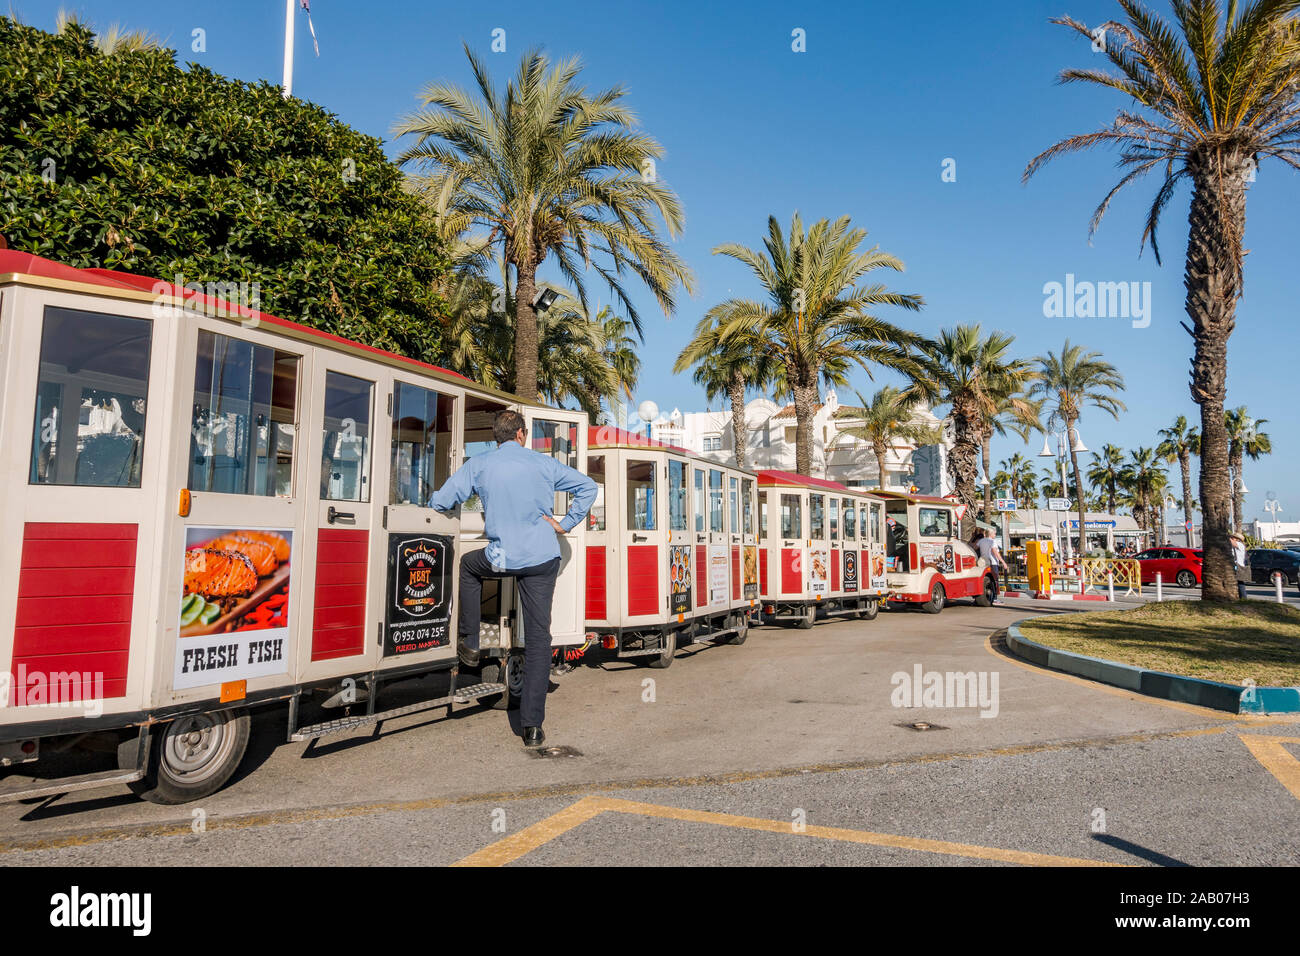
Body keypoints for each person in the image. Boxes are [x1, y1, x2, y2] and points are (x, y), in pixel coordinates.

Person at [428, 410, 597, 749]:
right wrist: (565, 524)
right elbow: (588, 487)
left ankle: (471, 642)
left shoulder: (480, 464)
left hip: (501, 557)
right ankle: (533, 727)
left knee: (468, 566)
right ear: (522, 434)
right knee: (538, 639)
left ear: (497, 437)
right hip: (540, 558)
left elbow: (442, 501)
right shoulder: (542, 464)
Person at [974, 529, 1010, 604]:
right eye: (994, 533)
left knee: (986, 581)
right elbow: (995, 552)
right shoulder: (992, 542)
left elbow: (974, 548)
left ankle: (984, 598)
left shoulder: (981, 541)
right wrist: (1003, 562)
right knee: (995, 580)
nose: (995, 535)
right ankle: (995, 599)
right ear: (990, 534)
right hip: (993, 562)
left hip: (984, 562)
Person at [1230, 532, 1250, 599]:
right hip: (1236, 566)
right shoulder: (1236, 545)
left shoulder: (1240, 544)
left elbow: (1232, 543)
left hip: (1238, 566)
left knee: (1240, 583)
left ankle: (1243, 598)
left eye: (1234, 538)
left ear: (1238, 539)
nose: (1232, 539)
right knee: (1238, 583)